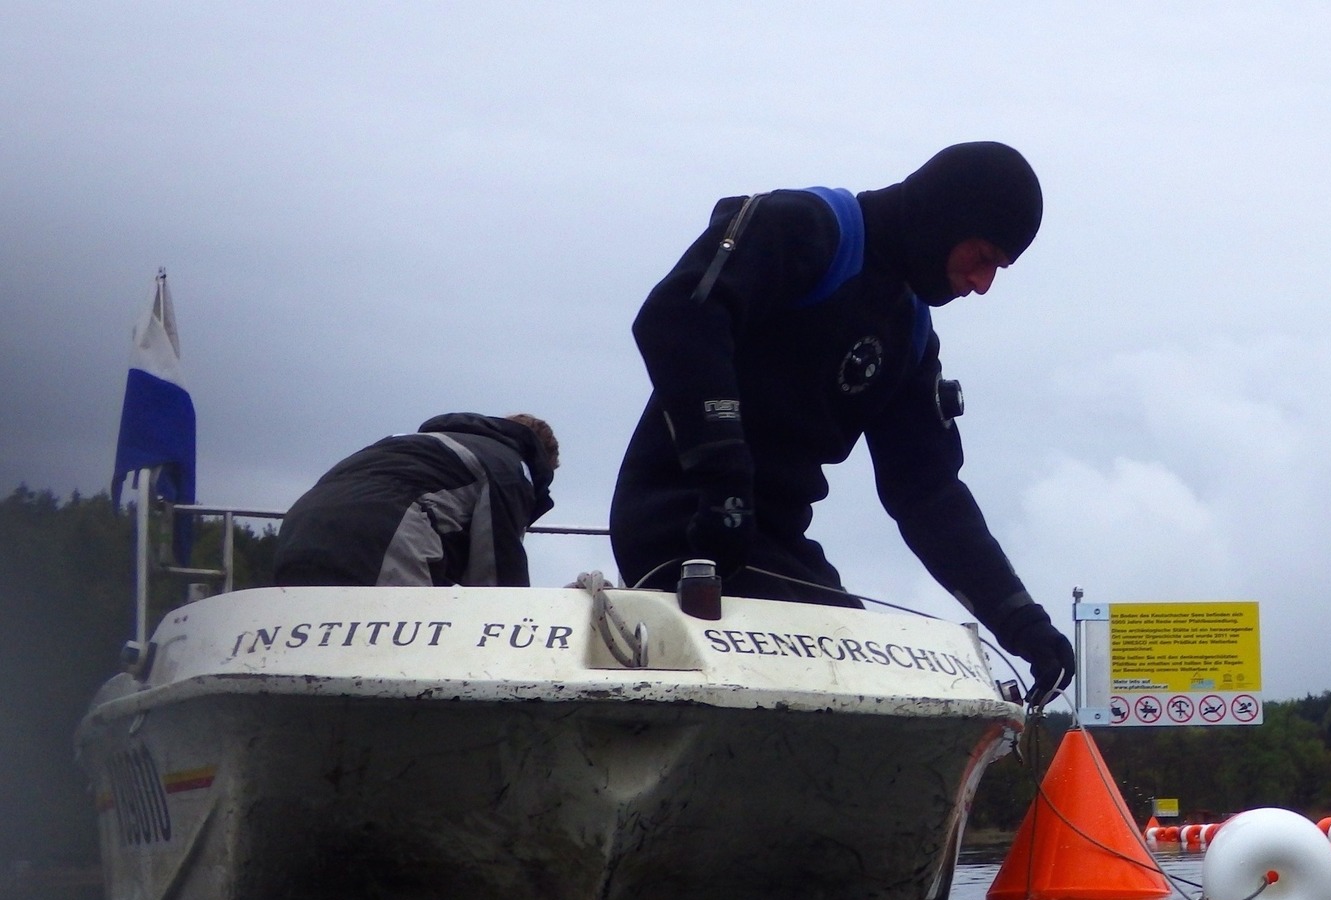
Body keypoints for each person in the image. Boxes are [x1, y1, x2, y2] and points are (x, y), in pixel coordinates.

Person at [610, 141, 1074, 706]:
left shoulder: (910, 335)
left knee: (880, 687)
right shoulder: (811, 229)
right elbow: (677, 316)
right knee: (844, 691)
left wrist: (1021, 621)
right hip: (683, 527)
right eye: (981, 258)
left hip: (776, 544)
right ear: (943, 220)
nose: (982, 284)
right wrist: (724, 480)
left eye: (997, 270)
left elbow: (926, 492)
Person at [274, 412, 558, 587]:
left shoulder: (410, 442)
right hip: (388, 531)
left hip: (300, 525)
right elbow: (495, 573)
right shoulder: (509, 467)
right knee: (390, 656)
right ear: (540, 463)